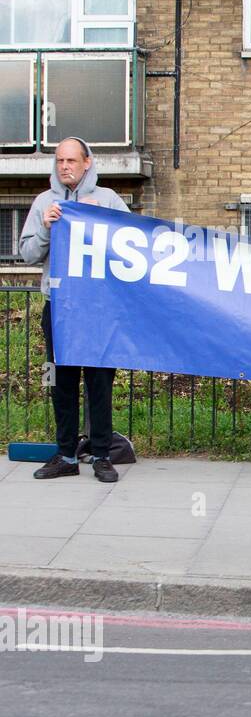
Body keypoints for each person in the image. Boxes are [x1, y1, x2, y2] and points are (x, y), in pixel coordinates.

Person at [19, 136, 130, 483]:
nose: (64, 166)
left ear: (87, 163)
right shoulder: (43, 203)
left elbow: (132, 246)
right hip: (60, 309)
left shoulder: (108, 199)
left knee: (99, 383)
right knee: (61, 383)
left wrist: (101, 219)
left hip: (98, 310)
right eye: (59, 161)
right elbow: (27, 254)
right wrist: (48, 230)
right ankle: (66, 455)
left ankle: (101, 456)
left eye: (71, 160)